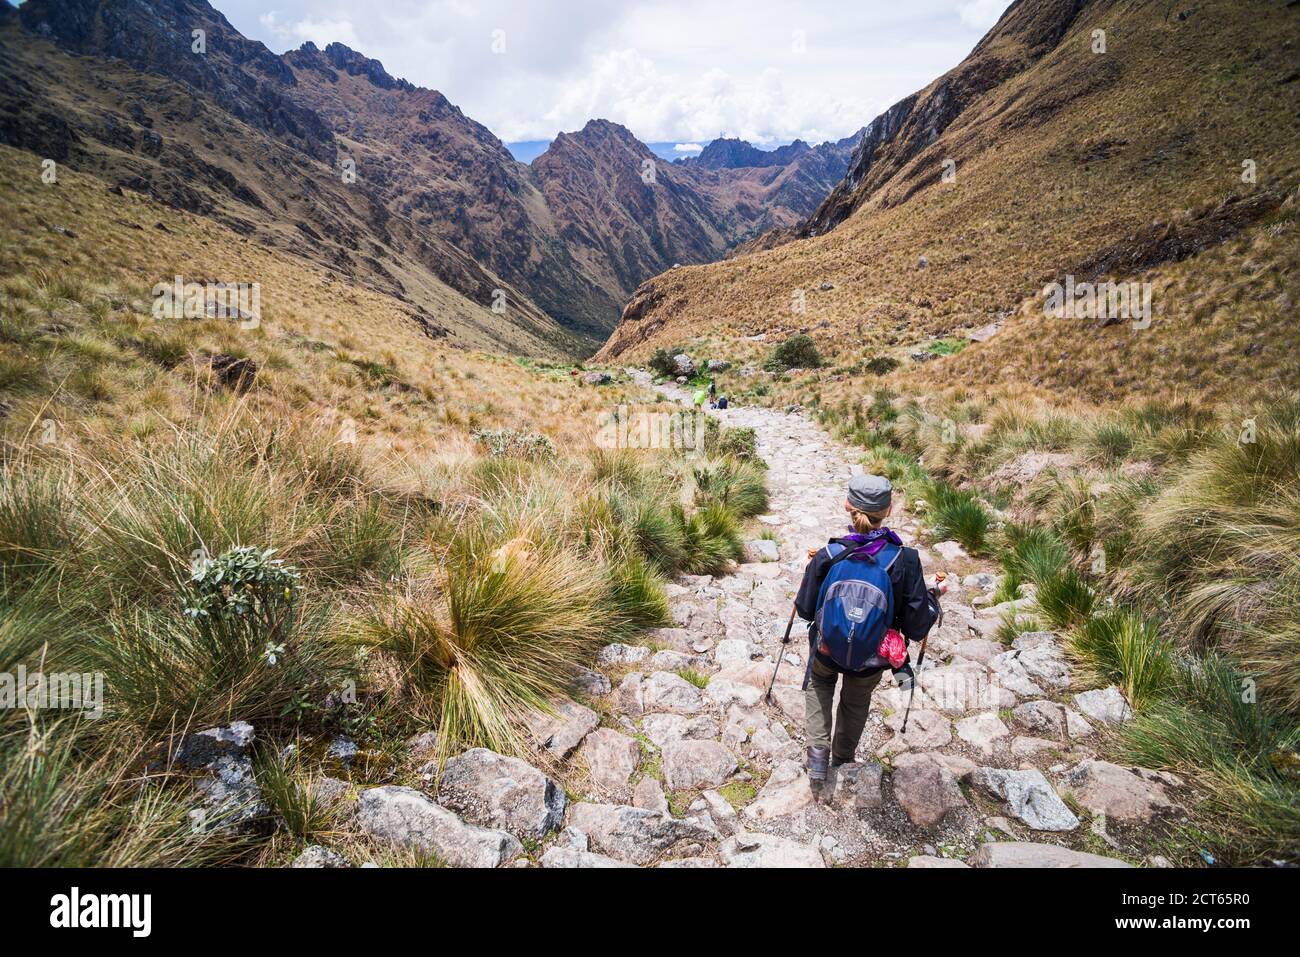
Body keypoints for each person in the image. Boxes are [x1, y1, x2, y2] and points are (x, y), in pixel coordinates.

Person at [793, 474, 946, 785]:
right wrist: (934, 596)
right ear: (888, 510)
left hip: (826, 649)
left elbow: (806, 610)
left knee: (820, 684)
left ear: (847, 506)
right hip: (871, 657)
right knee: (856, 700)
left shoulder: (830, 554)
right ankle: (843, 760)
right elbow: (917, 627)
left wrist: (809, 572)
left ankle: (818, 759)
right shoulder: (905, 560)